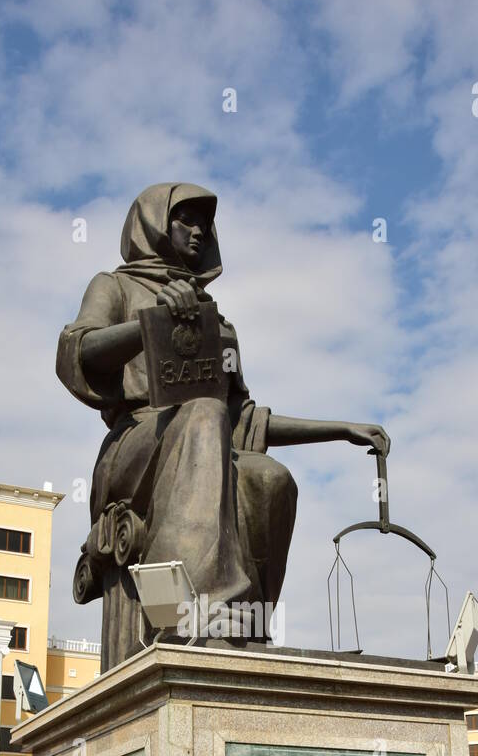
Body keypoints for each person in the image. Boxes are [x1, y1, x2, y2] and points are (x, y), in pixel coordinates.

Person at [56, 182, 388, 670]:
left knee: (269, 479)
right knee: (202, 412)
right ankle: (188, 616)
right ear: (152, 224)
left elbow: (242, 421)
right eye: (183, 219)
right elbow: (77, 352)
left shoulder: (217, 321)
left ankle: (245, 630)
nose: (197, 230)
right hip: (133, 445)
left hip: (204, 439)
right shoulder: (115, 285)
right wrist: (150, 322)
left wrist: (340, 429)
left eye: (203, 224)